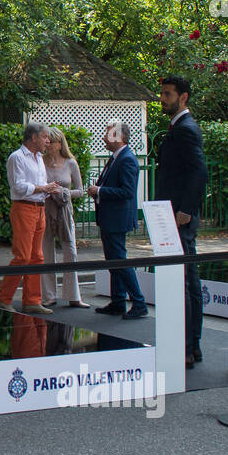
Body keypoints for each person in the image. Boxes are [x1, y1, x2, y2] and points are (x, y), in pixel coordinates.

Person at [154, 76, 208, 368]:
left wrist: (185, 210)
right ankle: (192, 345)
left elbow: (199, 172)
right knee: (189, 281)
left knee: (185, 282)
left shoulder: (186, 129)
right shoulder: (179, 128)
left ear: (183, 97)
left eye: (167, 94)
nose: (162, 98)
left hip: (178, 217)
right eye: (162, 93)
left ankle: (187, 347)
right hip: (174, 214)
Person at [0, 123, 60, 315]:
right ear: (33, 138)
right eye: (45, 137)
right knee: (23, 256)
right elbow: (19, 186)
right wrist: (43, 188)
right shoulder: (17, 157)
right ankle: (3, 298)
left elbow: (34, 185)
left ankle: (32, 300)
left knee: (37, 257)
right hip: (24, 208)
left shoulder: (39, 158)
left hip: (39, 208)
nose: (48, 141)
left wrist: (47, 189)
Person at [88, 121, 147, 319]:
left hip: (117, 218)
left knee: (119, 260)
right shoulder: (117, 158)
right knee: (114, 260)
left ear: (119, 137)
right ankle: (118, 301)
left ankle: (138, 302)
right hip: (110, 217)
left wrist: (100, 191)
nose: (104, 138)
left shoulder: (127, 159)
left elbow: (127, 191)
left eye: (108, 135)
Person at [40, 127, 89, 308]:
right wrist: (45, 189)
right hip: (45, 209)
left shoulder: (71, 163)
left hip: (64, 211)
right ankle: (49, 295)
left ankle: (73, 296)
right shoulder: (40, 161)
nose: (47, 144)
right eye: (46, 141)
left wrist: (63, 191)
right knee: (46, 252)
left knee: (70, 251)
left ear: (60, 144)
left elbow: (80, 191)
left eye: (50, 142)